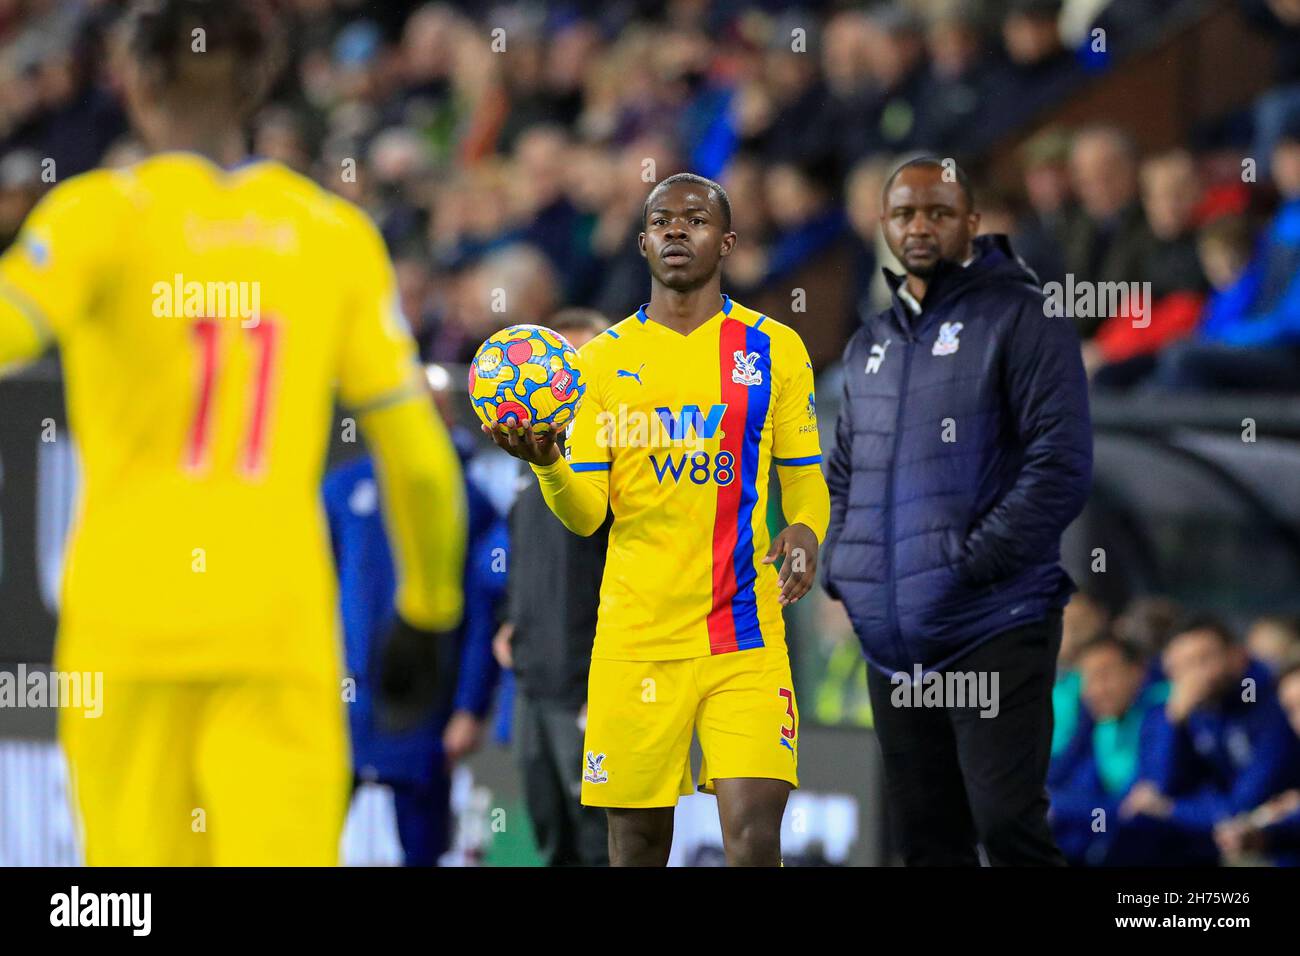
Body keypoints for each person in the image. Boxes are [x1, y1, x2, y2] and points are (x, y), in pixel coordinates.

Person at [0, 0, 466, 865]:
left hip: (123, 629)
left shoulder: (95, 216)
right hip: (274, 628)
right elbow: (422, 463)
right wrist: (428, 611)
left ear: (136, 82)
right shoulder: (330, 236)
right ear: (257, 84)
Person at [481, 172, 829, 866]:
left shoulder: (774, 350)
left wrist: (807, 531)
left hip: (744, 633)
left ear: (726, 241)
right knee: (635, 842)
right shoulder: (600, 365)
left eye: (695, 221)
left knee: (755, 835)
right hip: (635, 639)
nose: (677, 230)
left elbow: (805, 481)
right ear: (641, 242)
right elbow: (585, 518)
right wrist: (547, 461)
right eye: (662, 221)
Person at [823, 156, 1092, 866]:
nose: (920, 226)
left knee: (1007, 826)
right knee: (924, 839)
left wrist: (970, 564)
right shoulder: (871, 342)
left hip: (993, 622)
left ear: (972, 223)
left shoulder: (1026, 315)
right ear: (884, 224)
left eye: (938, 212)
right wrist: (843, 564)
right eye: (905, 213)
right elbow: (845, 469)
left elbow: (1059, 465)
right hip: (893, 641)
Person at [324, 373, 504, 866]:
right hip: (341, 700)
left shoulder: (470, 500)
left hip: (426, 705)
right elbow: (310, 594)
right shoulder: (341, 491)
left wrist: (469, 707)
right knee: (307, 842)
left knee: (422, 849)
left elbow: (482, 615)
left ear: (447, 416)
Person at [494, 309, 612, 866]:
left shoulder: (618, 457)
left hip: (592, 680)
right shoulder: (528, 458)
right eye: (557, 364)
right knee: (548, 831)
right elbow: (526, 553)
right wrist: (514, 618)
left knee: (599, 832)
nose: (562, 378)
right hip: (534, 678)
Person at [1120, 615, 1300, 863]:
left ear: (1237, 656)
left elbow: (1242, 806)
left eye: (1203, 660)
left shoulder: (1271, 704)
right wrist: (1175, 723)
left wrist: (1169, 809)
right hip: (1237, 834)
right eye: (1181, 667)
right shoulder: (1186, 711)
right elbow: (1157, 787)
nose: (1193, 677)